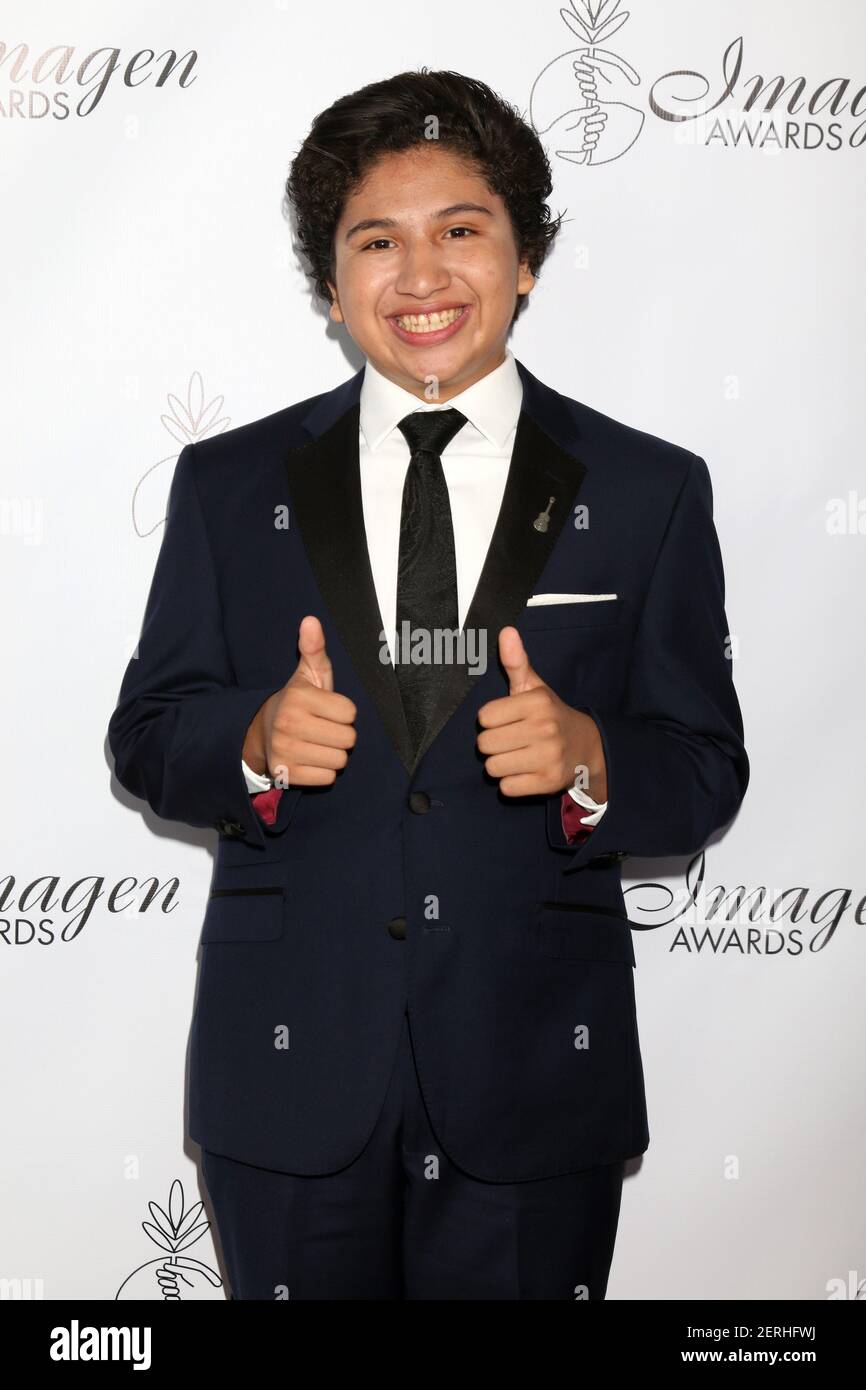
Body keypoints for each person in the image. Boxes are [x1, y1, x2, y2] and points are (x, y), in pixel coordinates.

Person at [107, 68, 749, 1300]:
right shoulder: (230, 485)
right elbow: (146, 734)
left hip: (533, 1077)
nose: (420, 276)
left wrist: (589, 757)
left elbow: (703, 768)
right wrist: (252, 740)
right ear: (331, 285)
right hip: (287, 1078)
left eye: (459, 230)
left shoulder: (647, 487)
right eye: (375, 242)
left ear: (524, 258)